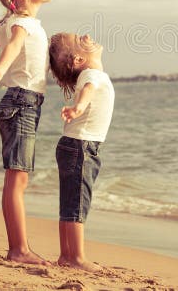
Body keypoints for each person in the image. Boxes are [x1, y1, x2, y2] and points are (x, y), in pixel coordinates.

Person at [0, 0, 52, 265]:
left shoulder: (14, 22)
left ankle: (18, 247)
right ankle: (18, 249)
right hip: (22, 101)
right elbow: (14, 46)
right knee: (17, 179)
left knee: (17, 178)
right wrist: (0, 69)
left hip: (22, 101)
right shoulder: (23, 23)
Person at [48, 32, 114, 272]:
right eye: (80, 40)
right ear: (78, 59)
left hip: (73, 145)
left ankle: (67, 254)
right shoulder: (92, 75)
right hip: (82, 146)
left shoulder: (90, 73)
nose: (87, 36)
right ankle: (76, 257)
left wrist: (78, 108)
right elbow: (88, 89)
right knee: (77, 202)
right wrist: (78, 107)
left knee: (69, 201)